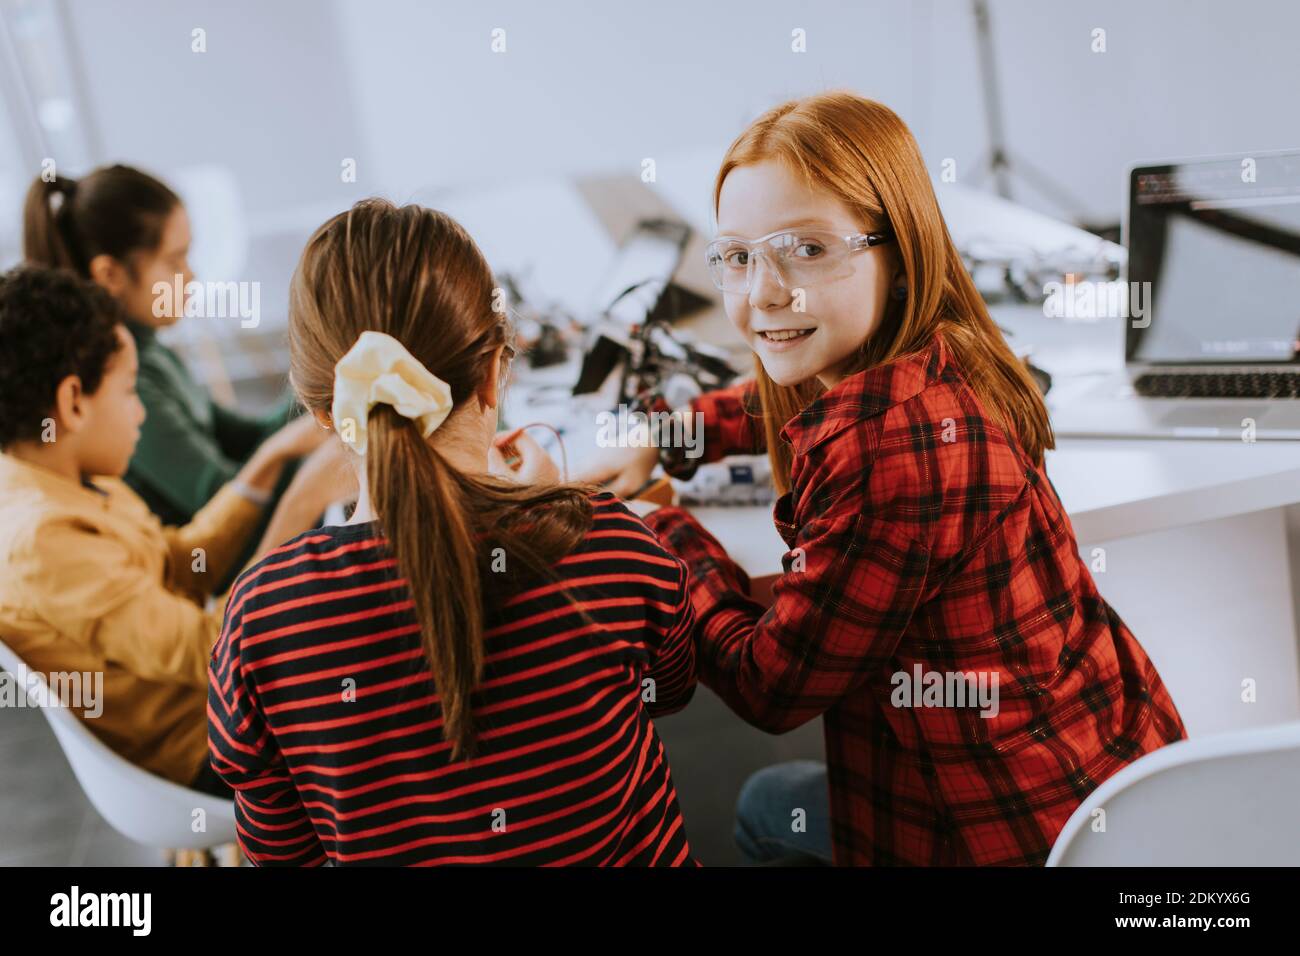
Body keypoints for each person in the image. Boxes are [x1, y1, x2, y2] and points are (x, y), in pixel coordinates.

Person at [578, 91, 1187, 866]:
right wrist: (665, 434)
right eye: (736, 255)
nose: (764, 292)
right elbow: (781, 391)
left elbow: (773, 687)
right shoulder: (947, 349)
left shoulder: (894, 452)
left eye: (806, 249)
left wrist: (660, 531)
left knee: (767, 803)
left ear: (897, 253)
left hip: (1001, 833)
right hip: (1116, 782)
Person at [208, 199, 699, 865]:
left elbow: (282, 855)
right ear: (496, 373)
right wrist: (557, 505)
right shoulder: (610, 546)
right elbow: (669, 691)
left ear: (321, 412)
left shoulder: (263, 623)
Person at [0, 265, 338, 795]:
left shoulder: (59, 478)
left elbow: (181, 561)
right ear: (72, 402)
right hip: (206, 747)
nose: (139, 415)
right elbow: (216, 648)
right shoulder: (44, 540)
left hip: (219, 709)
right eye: (130, 391)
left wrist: (270, 459)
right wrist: (301, 500)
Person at [22, 164, 335, 585]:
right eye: (175, 261)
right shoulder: (125, 385)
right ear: (109, 275)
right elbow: (221, 500)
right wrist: (316, 473)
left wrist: (324, 374)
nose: (191, 276)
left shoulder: (154, 353)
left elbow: (245, 438)